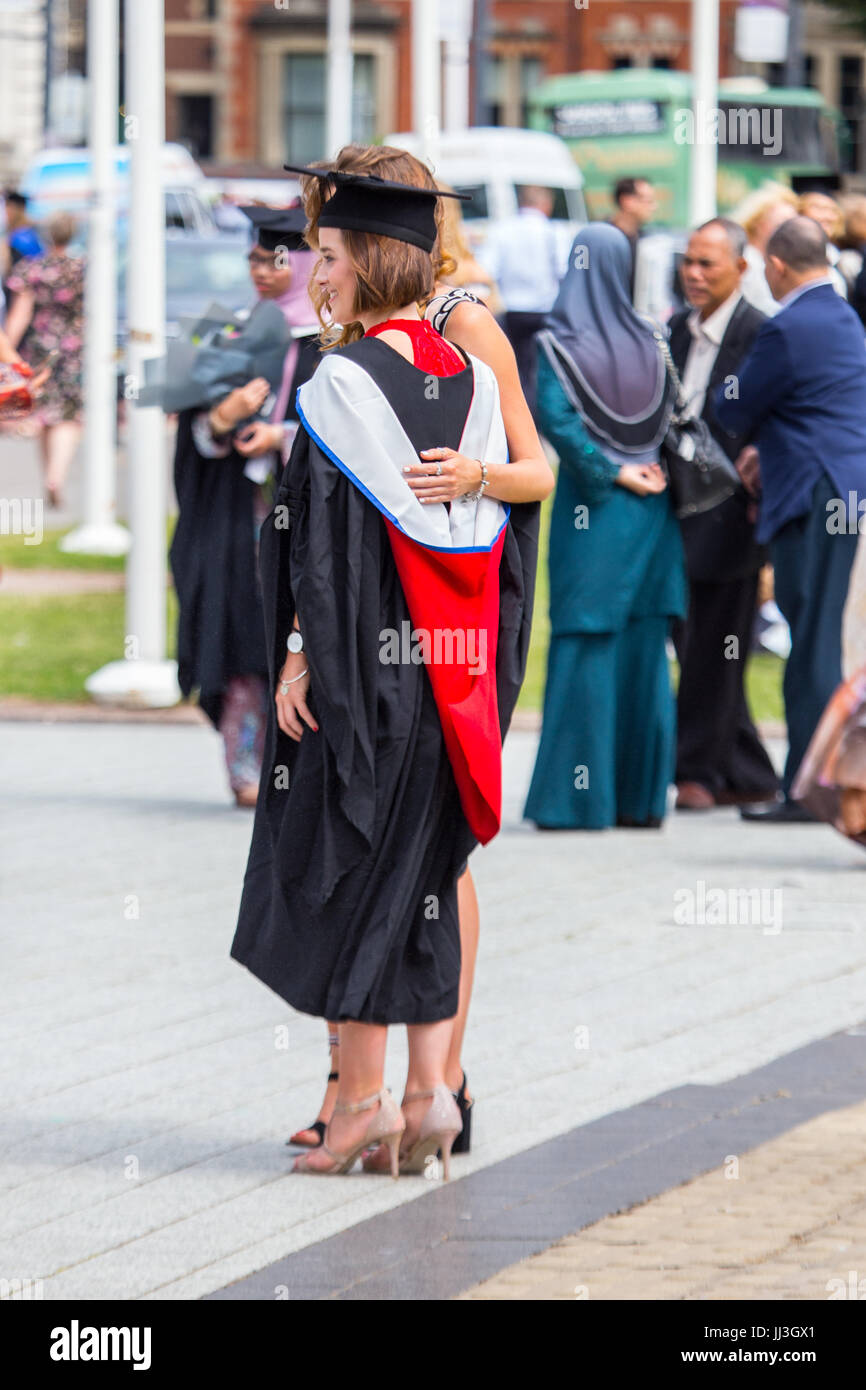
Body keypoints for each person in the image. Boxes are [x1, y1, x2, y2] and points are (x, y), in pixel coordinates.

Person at [230, 163, 539, 1178]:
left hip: (367, 679)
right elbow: (503, 529)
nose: (311, 271)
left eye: (324, 254)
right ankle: (430, 1093)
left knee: (351, 870)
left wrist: (296, 656)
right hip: (454, 673)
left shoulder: (342, 384)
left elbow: (323, 555)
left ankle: (358, 1103)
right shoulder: (467, 377)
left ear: (364, 258)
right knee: (429, 877)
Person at [523, 222, 686, 830]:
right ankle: (639, 800)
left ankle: (576, 802)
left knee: (585, 643)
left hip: (595, 513)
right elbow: (673, 416)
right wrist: (638, 468)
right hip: (654, 510)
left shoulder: (557, 344)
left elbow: (560, 427)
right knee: (644, 650)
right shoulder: (654, 337)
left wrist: (609, 472)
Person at [716, 215, 866, 822]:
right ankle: (822, 777)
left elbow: (735, 404)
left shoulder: (787, 327)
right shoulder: (845, 317)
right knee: (822, 633)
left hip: (811, 493)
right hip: (845, 489)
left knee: (811, 641)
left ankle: (809, 785)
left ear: (776, 266)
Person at [169, 204, 319, 807]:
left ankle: (302, 769)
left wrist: (280, 436)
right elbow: (198, 439)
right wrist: (219, 422)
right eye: (255, 259)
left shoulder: (336, 344)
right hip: (239, 519)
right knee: (239, 639)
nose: (262, 270)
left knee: (295, 637)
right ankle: (247, 765)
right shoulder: (232, 335)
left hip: (304, 523)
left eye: (277, 260)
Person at [668, 218, 779, 810]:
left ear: (741, 268)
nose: (694, 273)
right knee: (697, 641)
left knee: (718, 643)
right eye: (689, 261)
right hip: (680, 511)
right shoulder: (677, 332)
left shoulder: (761, 335)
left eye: (707, 263)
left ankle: (698, 775)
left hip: (735, 515)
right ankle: (750, 772)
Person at [3, 212, 83, 508]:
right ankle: (56, 475)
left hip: (42, 345)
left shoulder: (32, 269)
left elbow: (19, 315)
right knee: (70, 417)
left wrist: (10, 358)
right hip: (76, 349)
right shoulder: (82, 268)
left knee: (46, 415)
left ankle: (49, 474)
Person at [476, 184, 563, 414]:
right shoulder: (552, 231)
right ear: (546, 204)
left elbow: (487, 269)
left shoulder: (503, 229)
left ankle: (523, 417)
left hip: (512, 310)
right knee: (541, 370)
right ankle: (540, 419)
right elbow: (562, 271)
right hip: (544, 310)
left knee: (515, 370)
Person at [734, 184, 797, 317]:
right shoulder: (748, 261)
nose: (788, 232)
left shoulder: (768, 261)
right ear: (757, 223)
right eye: (781, 225)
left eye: (792, 226)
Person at [610, 176, 657, 294]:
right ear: (627, 201)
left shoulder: (646, 241)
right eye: (649, 201)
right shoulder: (603, 239)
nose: (654, 207)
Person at [797, 190, 848, 298]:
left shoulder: (835, 257)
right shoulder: (794, 255)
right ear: (800, 213)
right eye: (818, 208)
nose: (828, 216)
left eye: (832, 210)